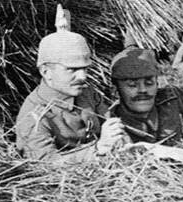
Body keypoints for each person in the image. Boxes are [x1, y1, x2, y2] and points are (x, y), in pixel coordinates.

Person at [14, 29, 125, 165]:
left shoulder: (86, 93)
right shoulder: (33, 116)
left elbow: (113, 124)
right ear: (46, 72)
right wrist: (98, 149)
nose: (82, 77)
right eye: (72, 69)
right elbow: (46, 165)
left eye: (85, 69)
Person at [106, 46, 183, 146]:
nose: (143, 90)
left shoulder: (169, 100)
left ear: (157, 84)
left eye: (149, 83)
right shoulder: (110, 125)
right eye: (132, 85)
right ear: (116, 91)